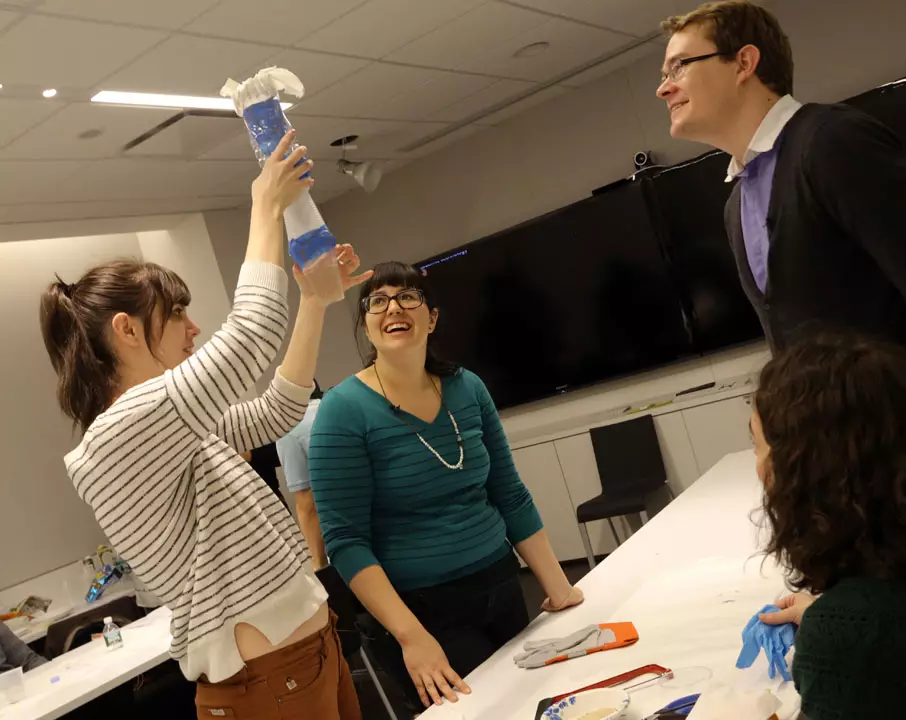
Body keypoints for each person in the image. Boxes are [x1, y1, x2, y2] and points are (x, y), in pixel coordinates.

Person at [39, 131, 372, 720]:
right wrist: (264, 208)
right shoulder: (119, 436)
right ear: (127, 329)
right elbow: (250, 337)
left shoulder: (175, 427)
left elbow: (276, 411)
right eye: (178, 314)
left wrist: (315, 304)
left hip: (304, 658)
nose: (193, 329)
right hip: (268, 681)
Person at [657, 1, 906, 411]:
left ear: (744, 63)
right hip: (841, 458)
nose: (664, 87)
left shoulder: (832, 142)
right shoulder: (736, 203)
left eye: (679, 66)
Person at [309, 261, 584, 711]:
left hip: (501, 584)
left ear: (431, 317)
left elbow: (508, 492)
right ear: (366, 324)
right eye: (377, 301)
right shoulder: (342, 411)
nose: (392, 307)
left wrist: (558, 588)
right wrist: (412, 637)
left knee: (543, 702)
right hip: (423, 613)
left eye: (407, 297)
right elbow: (346, 542)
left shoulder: (466, 387)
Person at [748, 334, 906, 719]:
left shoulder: (845, 645)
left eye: (757, 446)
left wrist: (839, 627)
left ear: (800, 472)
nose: (757, 465)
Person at [276, 380, 327, 570]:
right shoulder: (340, 406)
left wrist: (318, 562)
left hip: (348, 527)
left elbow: (306, 501)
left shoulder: (288, 427)